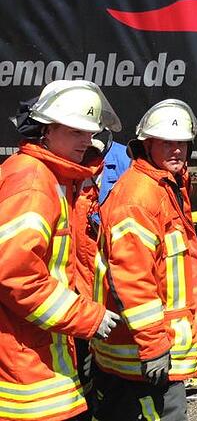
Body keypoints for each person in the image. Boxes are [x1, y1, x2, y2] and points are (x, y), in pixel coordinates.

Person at [0, 80, 121, 421]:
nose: (87, 141)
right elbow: (15, 275)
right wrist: (87, 316)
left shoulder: (55, 178)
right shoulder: (33, 181)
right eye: (75, 131)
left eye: (90, 131)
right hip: (26, 365)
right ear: (46, 131)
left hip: (41, 352)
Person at [92, 99, 197, 421]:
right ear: (147, 145)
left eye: (182, 143)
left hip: (149, 353)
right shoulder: (139, 198)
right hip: (142, 357)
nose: (177, 150)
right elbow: (132, 281)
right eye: (167, 142)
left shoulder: (165, 187)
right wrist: (154, 344)